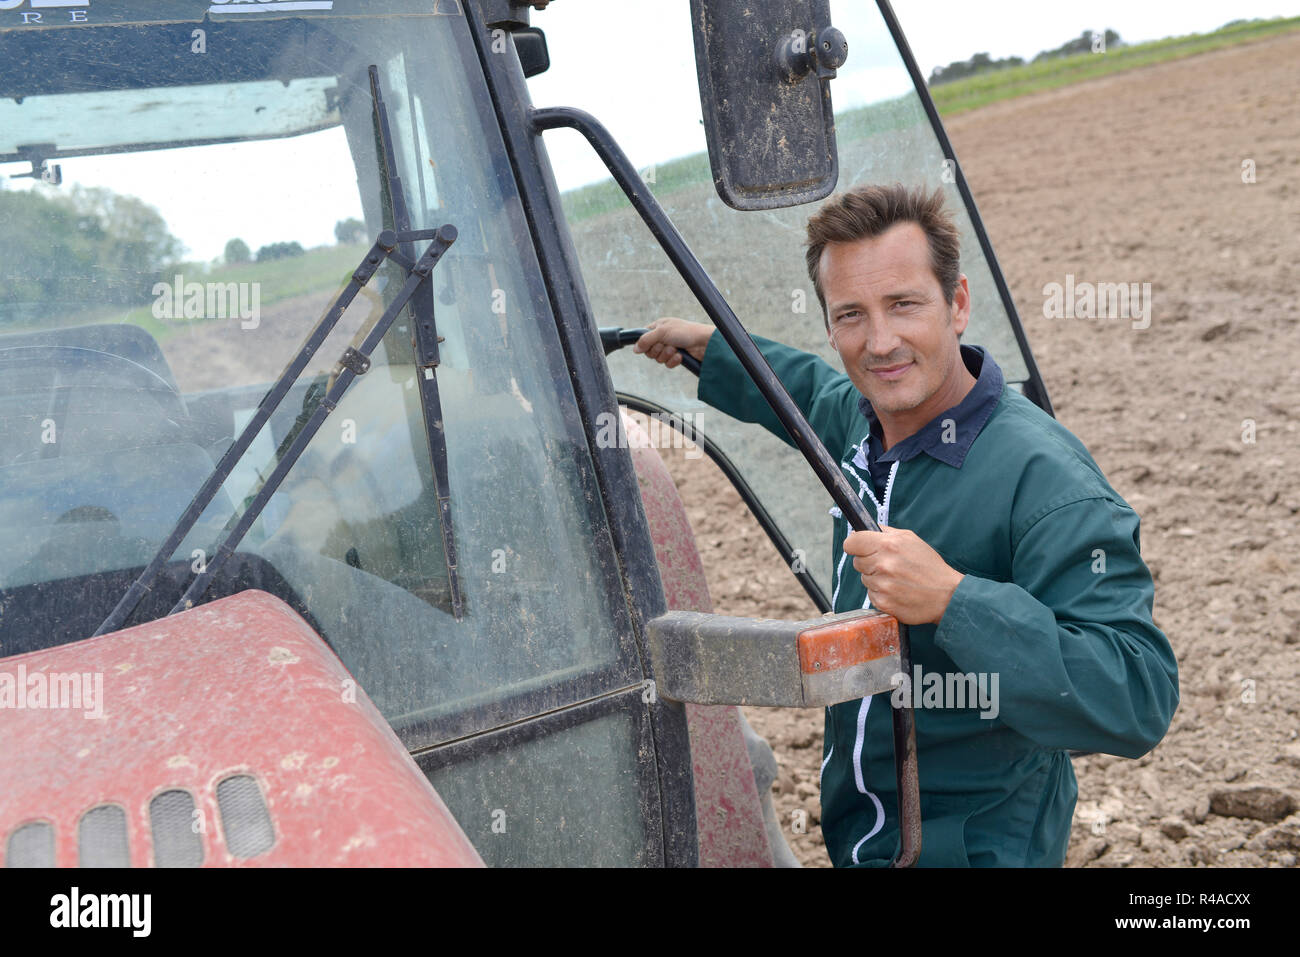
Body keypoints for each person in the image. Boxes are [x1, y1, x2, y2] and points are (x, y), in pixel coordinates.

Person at [633, 183, 1178, 867]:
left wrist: (955, 600)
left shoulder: (1045, 480)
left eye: (904, 305)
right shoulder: (865, 425)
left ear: (957, 304)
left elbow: (1137, 693)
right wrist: (711, 348)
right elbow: (805, 390)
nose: (880, 341)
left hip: (973, 849)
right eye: (851, 315)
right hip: (870, 838)